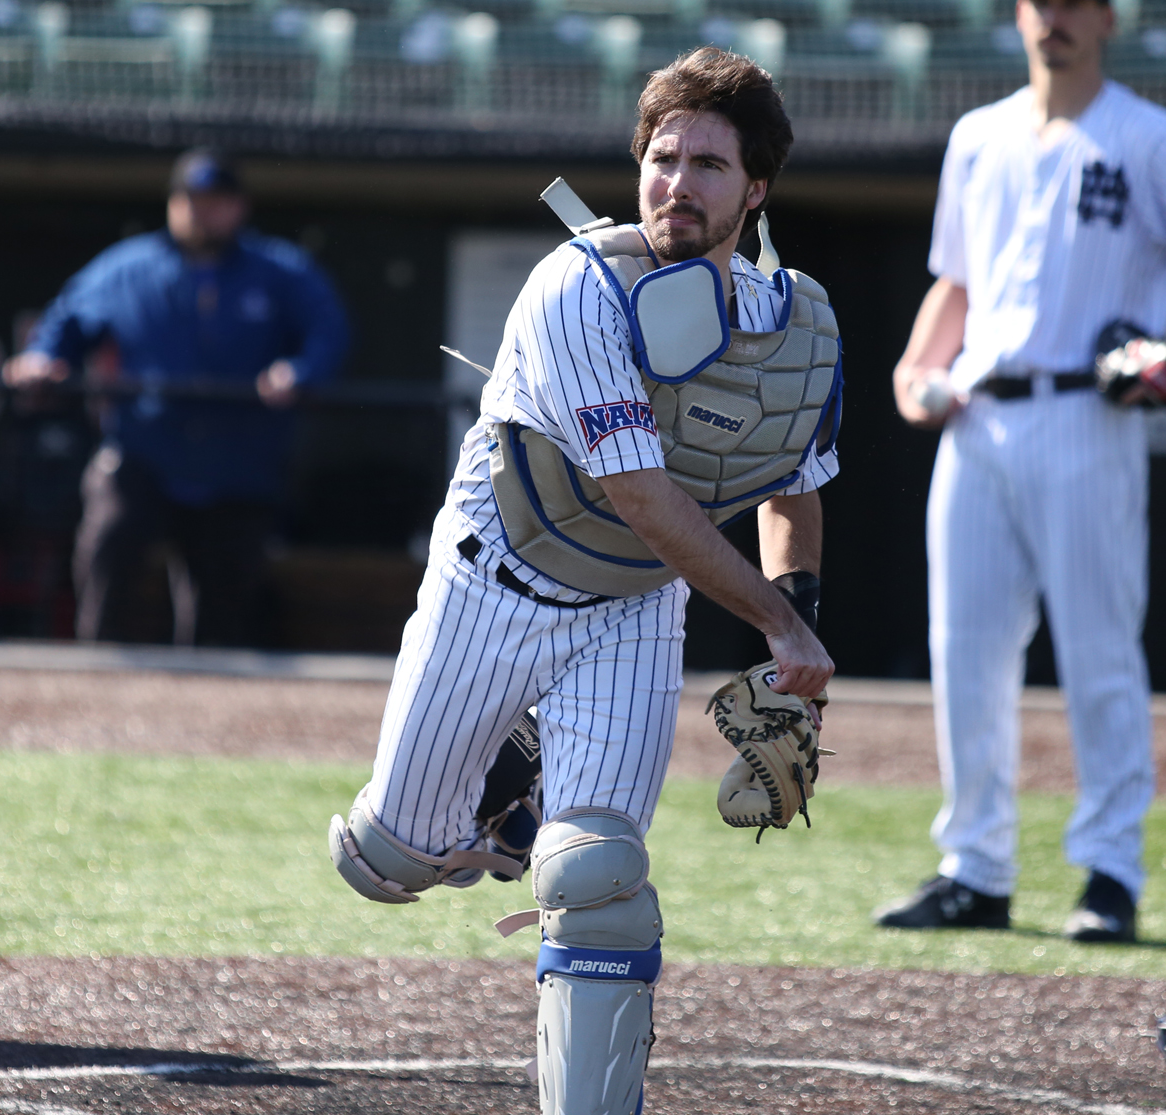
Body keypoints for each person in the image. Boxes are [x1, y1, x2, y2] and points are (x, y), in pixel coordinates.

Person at [325, 48, 837, 1115]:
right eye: (661, 156)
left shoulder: (788, 324)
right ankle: (504, 791)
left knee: (599, 881)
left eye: (706, 162)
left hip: (632, 610)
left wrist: (797, 642)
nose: (675, 182)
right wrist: (779, 624)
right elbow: (643, 496)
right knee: (384, 860)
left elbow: (791, 489)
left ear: (754, 189)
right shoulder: (579, 283)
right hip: (492, 587)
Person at [874, 0, 1166, 943]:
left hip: (1089, 414)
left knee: (1097, 649)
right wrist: (914, 369)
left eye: (1080, 3)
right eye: (1044, 2)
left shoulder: (1149, 135)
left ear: (1110, 21)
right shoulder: (978, 135)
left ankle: (1110, 872)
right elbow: (958, 282)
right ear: (1019, 15)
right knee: (965, 651)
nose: (1059, 18)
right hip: (977, 418)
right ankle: (975, 867)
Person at [3, 148, 349, 647]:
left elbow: (329, 330)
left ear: (240, 207)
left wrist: (300, 371)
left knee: (220, 620)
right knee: (109, 551)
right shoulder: (128, 267)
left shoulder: (279, 269)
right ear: (173, 203)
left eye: (217, 200)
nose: (202, 211)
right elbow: (66, 322)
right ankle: (88, 693)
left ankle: (206, 720)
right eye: (191, 199)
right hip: (145, 453)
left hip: (236, 462)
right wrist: (44, 356)